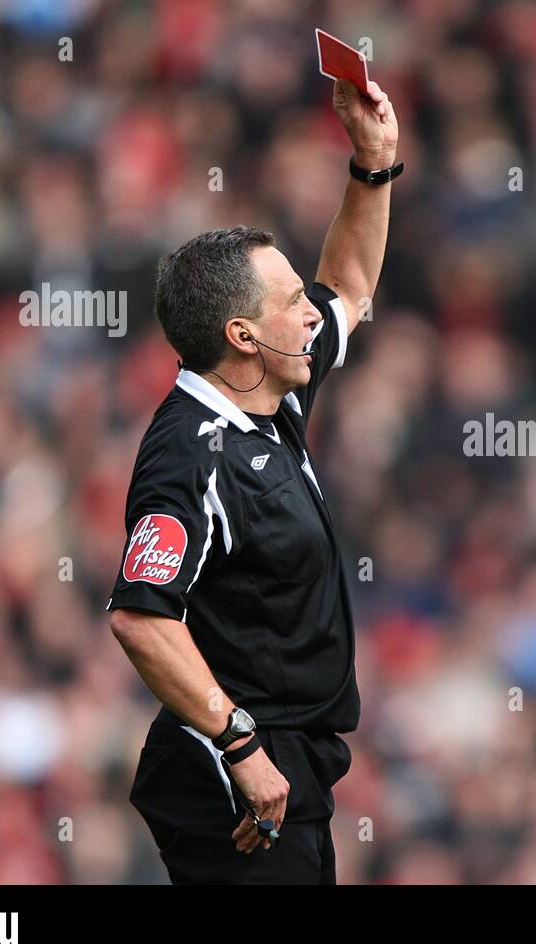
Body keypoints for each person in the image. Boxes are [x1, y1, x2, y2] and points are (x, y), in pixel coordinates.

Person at [106, 78, 401, 884]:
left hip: (290, 770)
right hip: (235, 784)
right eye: (289, 302)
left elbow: (351, 286)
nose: (312, 312)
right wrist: (239, 743)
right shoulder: (189, 453)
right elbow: (140, 616)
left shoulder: (271, 396)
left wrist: (372, 165)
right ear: (241, 335)